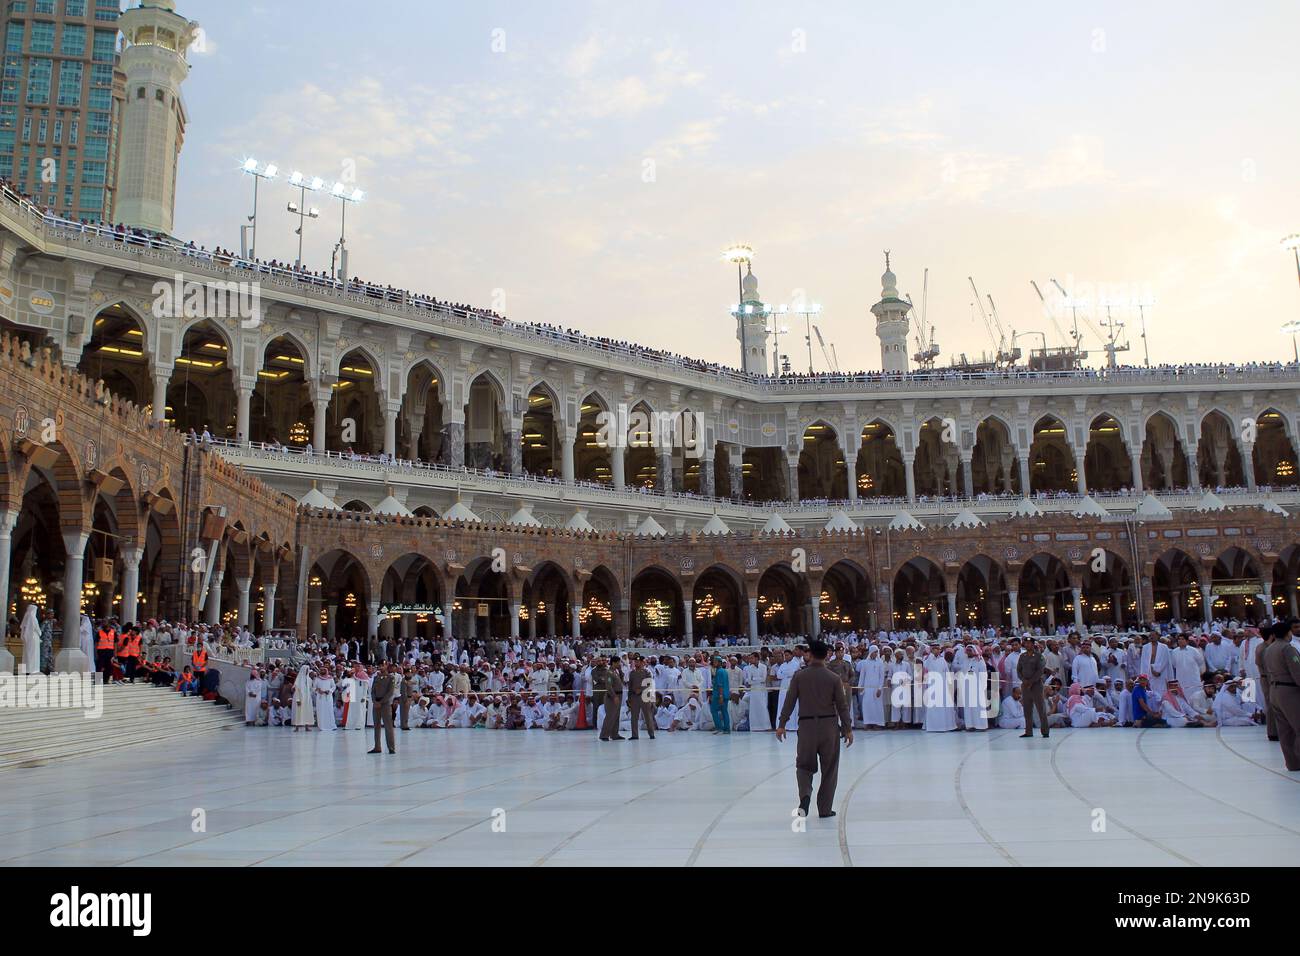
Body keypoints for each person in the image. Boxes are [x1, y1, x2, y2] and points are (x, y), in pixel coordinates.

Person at [776, 639, 854, 819]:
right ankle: (825, 808)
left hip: (806, 726)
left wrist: (782, 724)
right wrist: (848, 729)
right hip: (829, 727)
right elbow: (842, 706)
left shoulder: (799, 676)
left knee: (803, 765)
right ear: (826, 655)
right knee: (830, 768)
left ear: (810, 655)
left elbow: (789, 701)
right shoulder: (833, 678)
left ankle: (805, 795)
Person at [1262, 621, 1300, 771]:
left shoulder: (1269, 649)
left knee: (1284, 731)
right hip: (1289, 692)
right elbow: (1297, 671)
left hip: (1275, 691)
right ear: (1287, 633)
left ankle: (1292, 763)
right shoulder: (1287, 649)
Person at [1017, 638, 1049, 739]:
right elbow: (1018, 670)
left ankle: (1045, 731)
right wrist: (1024, 680)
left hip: (1036, 685)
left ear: (1033, 644)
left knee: (1041, 708)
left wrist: (1031, 681)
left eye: (1029, 643)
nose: (1027, 645)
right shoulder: (1022, 656)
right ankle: (1028, 731)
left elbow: (1040, 671)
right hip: (1025, 686)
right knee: (1027, 709)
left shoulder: (1039, 656)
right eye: (1026, 643)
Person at [369, 662, 399, 754]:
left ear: (386, 666)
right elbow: (373, 691)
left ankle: (391, 747)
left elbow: (390, 692)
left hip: (385, 704)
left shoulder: (391, 678)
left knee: (388, 726)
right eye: (380, 665)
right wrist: (374, 701)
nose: (381, 667)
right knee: (376, 726)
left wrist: (381, 702)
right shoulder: (376, 678)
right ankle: (377, 746)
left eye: (383, 665)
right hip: (376, 704)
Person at [627, 655, 655, 739]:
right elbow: (630, 686)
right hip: (634, 697)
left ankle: (651, 734)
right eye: (635, 661)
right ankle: (634, 735)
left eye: (638, 661)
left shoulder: (647, 672)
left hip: (645, 696)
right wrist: (629, 698)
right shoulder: (632, 673)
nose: (636, 663)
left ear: (642, 662)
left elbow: (649, 684)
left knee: (648, 716)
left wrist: (641, 689)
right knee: (634, 717)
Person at [600, 658, 625, 741]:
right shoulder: (609, 673)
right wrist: (614, 696)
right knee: (610, 716)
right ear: (614, 663)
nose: (619, 664)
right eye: (618, 663)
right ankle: (604, 735)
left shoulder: (616, 671)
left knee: (616, 716)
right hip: (612, 697)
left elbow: (622, 680)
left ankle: (615, 734)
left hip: (619, 696)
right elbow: (609, 686)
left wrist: (620, 671)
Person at [709, 657, 730, 734]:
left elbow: (720, 685)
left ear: (720, 663)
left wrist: (720, 696)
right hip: (725, 694)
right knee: (724, 711)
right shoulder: (724, 671)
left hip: (719, 695)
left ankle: (719, 728)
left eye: (715, 661)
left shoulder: (719, 672)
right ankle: (727, 729)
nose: (714, 663)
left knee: (713, 710)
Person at [291, 667, 315, 731]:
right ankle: (297, 727)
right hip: (300, 698)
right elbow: (297, 690)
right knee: (299, 712)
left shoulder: (309, 679)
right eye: (306, 670)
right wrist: (298, 699)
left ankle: (307, 726)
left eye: (308, 670)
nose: (307, 671)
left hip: (307, 698)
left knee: (307, 712)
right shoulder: (298, 679)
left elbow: (311, 689)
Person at [18, 604, 39, 675]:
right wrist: (40, 633)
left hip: (28, 638)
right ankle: (32, 670)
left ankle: (23, 670)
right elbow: (37, 629)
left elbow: (23, 628)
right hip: (33, 638)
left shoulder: (27, 618)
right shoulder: (33, 618)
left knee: (26, 654)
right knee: (32, 654)